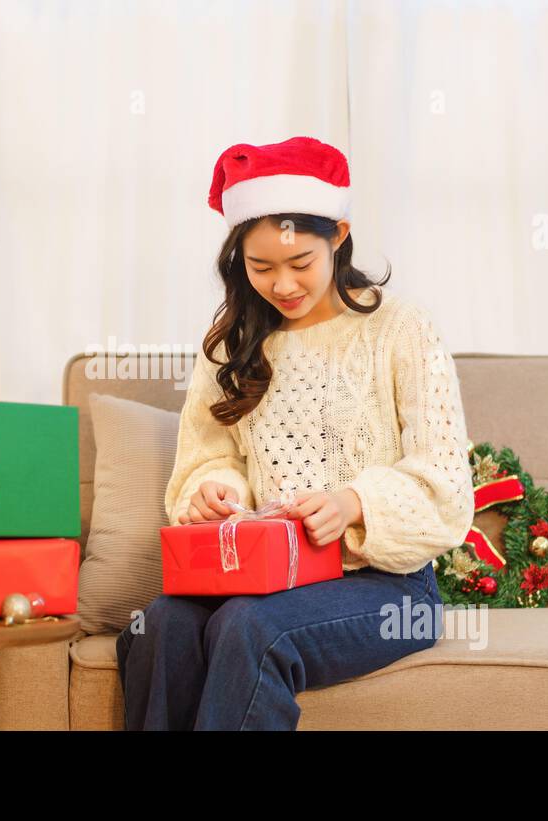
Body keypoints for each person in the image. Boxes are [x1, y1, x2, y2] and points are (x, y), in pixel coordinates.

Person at [115, 136, 474, 730]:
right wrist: (212, 490)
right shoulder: (231, 345)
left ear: (339, 235)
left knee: (248, 629)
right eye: (261, 267)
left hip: (388, 585)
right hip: (258, 574)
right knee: (163, 624)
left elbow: (446, 485)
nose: (282, 285)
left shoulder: (399, 328)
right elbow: (208, 456)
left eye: (300, 262)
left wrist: (354, 502)